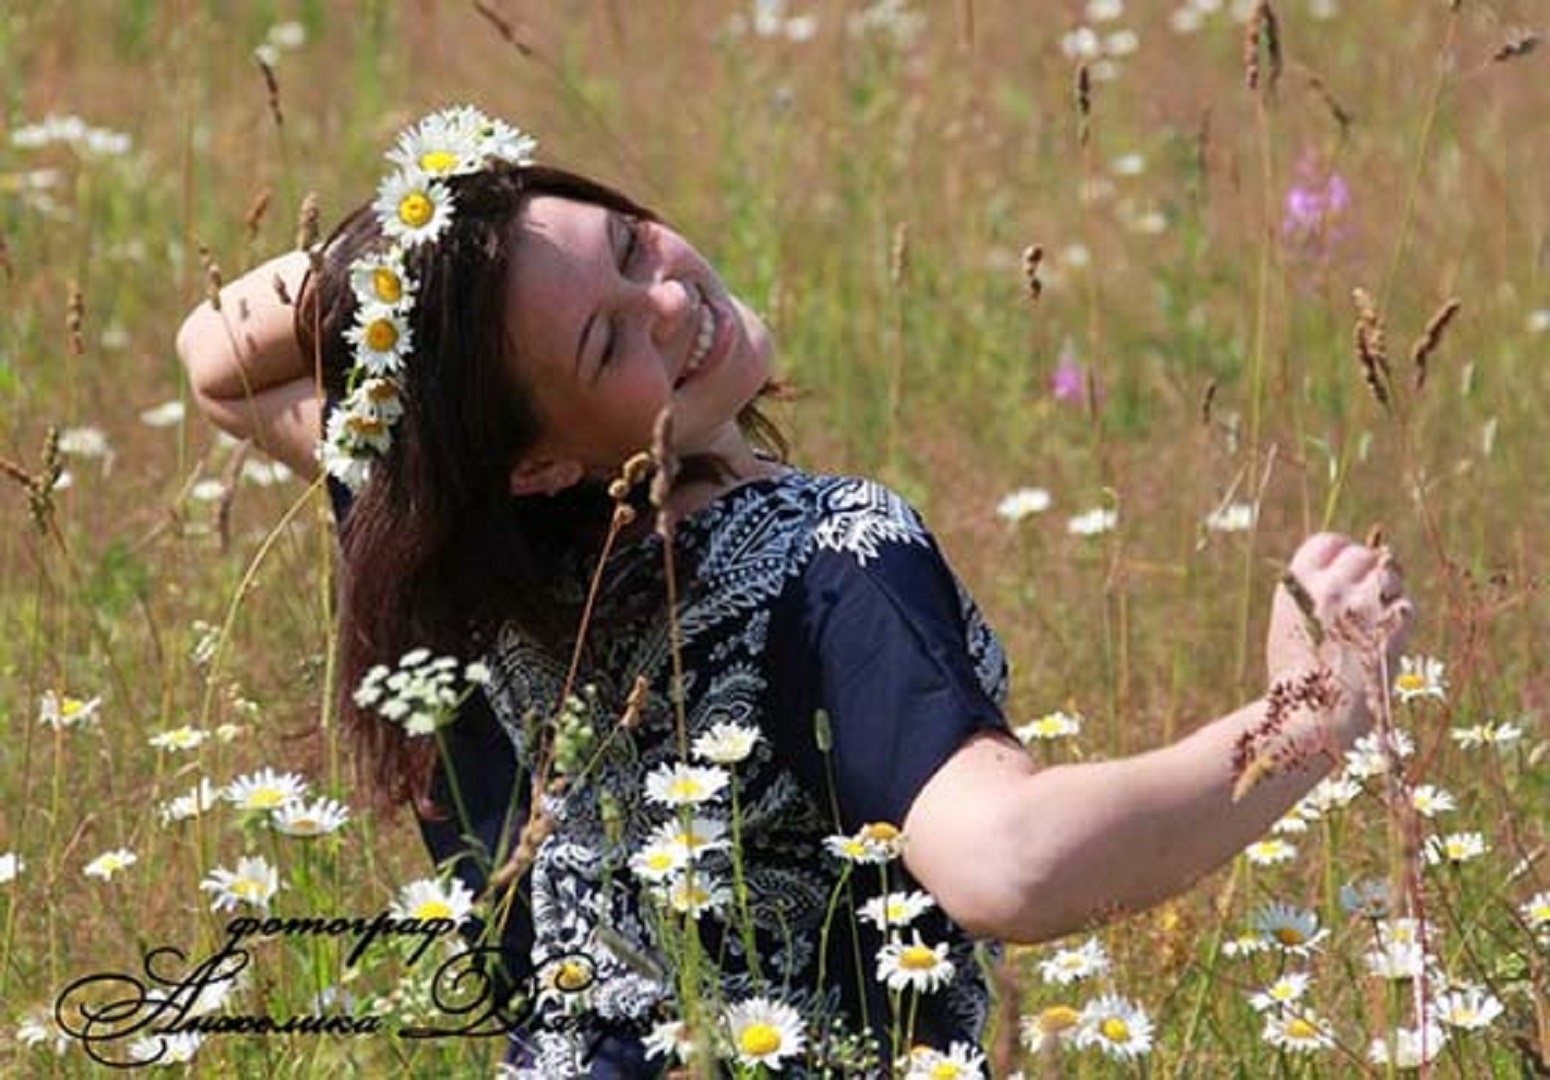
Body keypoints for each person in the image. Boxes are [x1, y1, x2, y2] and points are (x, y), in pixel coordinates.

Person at [177, 106, 1414, 1077]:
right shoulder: (827, 555)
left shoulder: (466, 536)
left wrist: (433, 260)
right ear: (538, 454)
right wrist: (1309, 711)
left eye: (625, 243)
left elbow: (218, 360)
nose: (670, 301)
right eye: (605, 343)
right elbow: (1010, 867)